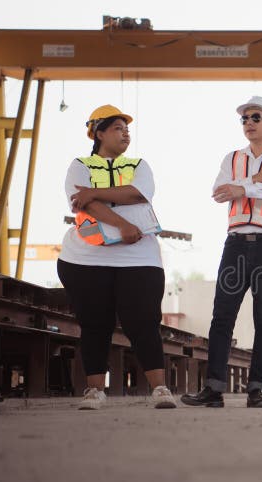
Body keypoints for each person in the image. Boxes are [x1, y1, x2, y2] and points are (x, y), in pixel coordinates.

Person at [57, 104, 177, 410]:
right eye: (117, 128)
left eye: (127, 129)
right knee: (95, 323)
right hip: (86, 258)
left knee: (144, 322)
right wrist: (123, 224)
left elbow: (138, 193)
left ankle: (160, 389)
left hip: (139, 258)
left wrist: (94, 192)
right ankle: (94, 391)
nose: (125, 134)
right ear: (99, 133)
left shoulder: (139, 164)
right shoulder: (79, 165)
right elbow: (82, 204)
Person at [181, 96, 262, 409]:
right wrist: (253, 180)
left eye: (256, 117)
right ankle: (213, 390)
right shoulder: (231, 158)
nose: (249, 123)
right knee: (222, 317)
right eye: (244, 118)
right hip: (236, 245)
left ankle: (257, 389)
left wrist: (241, 187)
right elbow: (220, 192)